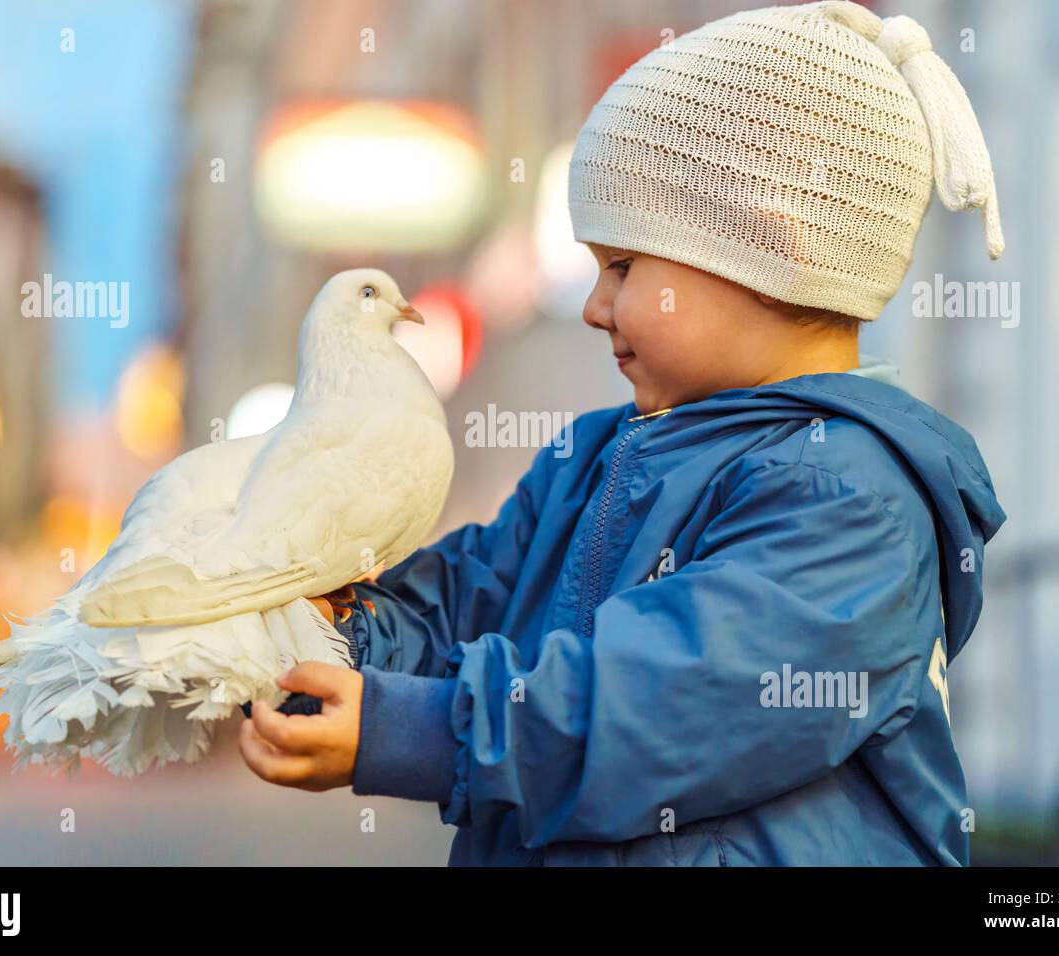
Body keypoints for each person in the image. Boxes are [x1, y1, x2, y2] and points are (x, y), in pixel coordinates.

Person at [237, 0, 1008, 866]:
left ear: (772, 244)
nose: (595, 306)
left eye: (623, 267)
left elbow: (660, 705)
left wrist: (415, 731)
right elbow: (466, 597)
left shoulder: (850, 499)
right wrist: (309, 632)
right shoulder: (595, 457)